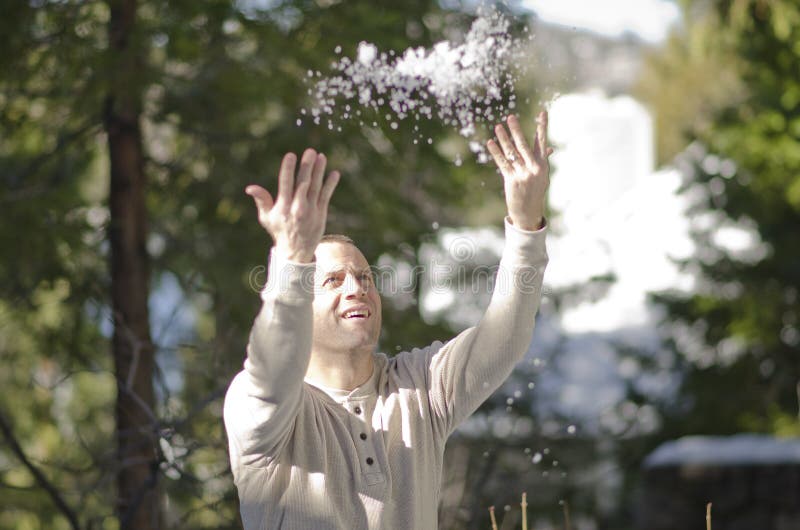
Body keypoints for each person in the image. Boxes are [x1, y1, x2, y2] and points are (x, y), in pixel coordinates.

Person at [224, 112, 552, 529]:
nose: (356, 288)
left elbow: (506, 335)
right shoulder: (263, 408)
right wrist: (292, 259)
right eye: (332, 280)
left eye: (364, 278)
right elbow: (274, 360)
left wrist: (525, 225)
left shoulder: (420, 388)